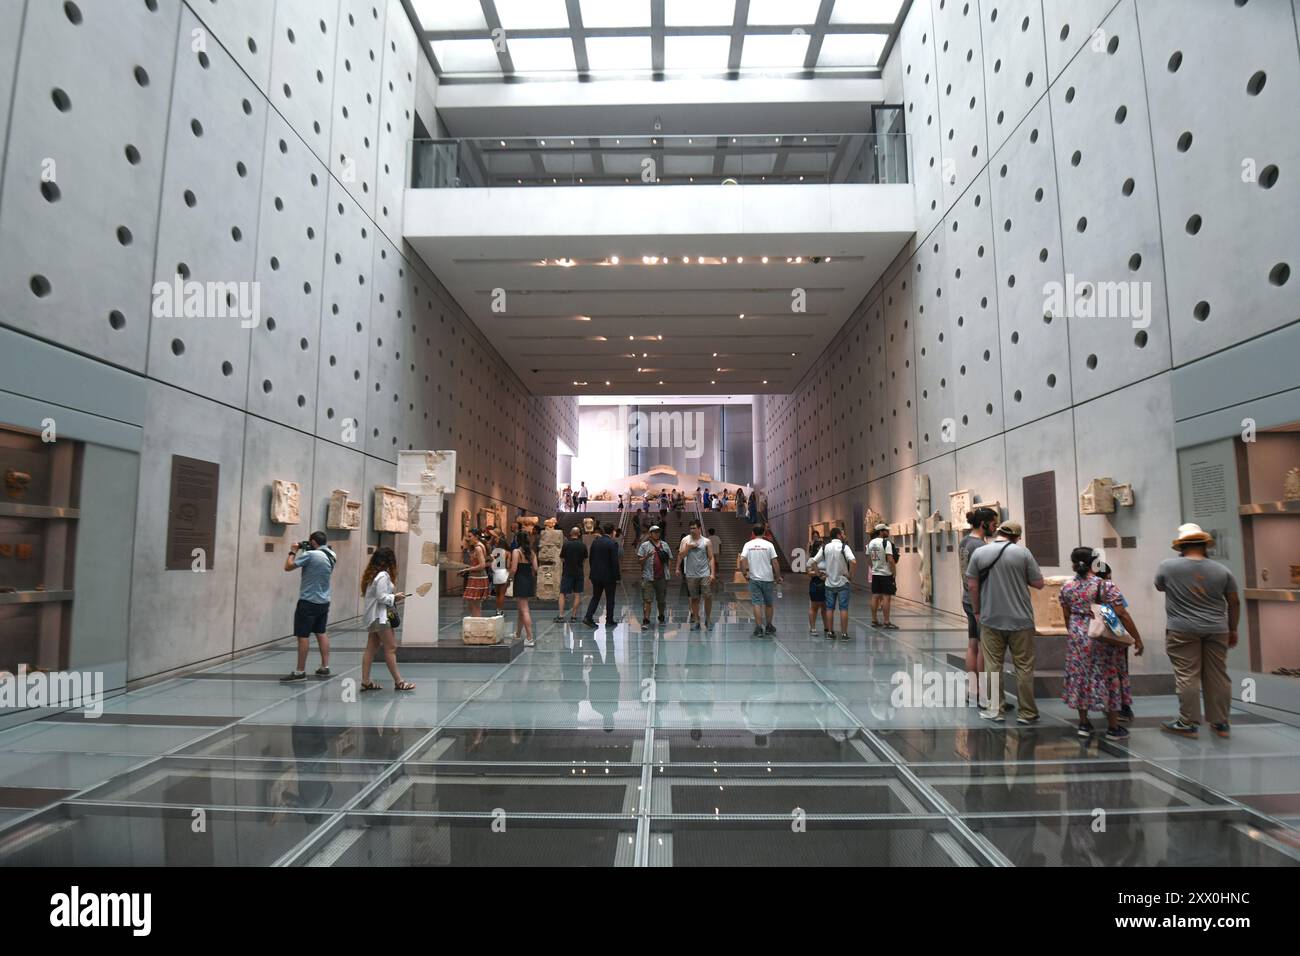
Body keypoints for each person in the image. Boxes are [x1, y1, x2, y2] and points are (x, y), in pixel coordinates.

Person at [1155, 524, 1240, 739]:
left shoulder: (1167, 566)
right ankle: (1221, 724)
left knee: (1187, 676)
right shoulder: (1222, 570)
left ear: (1181, 547)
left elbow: (1160, 586)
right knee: (1218, 675)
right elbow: (1234, 601)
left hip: (1181, 629)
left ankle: (1188, 722)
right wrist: (1233, 629)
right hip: (1217, 628)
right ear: (1204, 546)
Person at [966, 519, 1046, 724]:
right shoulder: (1023, 553)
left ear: (999, 531)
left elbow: (972, 586)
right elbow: (1039, 583)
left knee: (993, 665)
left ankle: (995, 709)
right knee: (1024, 667)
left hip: (991, 618)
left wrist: (977, 611)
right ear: (1016, 537)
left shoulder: (980, 553)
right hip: (1021, 619)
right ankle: (1027, 712)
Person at [1060, 547, 1144, 739]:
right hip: (1101, 637)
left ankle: (1083, 723)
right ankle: (1113, 726)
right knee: (1108, 676)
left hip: (1077, 637)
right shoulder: (1105, 585)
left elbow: (1066, 615)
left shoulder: (1066, 587)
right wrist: (1136, 638)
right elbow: (1121, 613)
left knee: (1081, 676)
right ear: (1094, 563)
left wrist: (1076, 632)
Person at [280, 531, 338, 682]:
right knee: (321, 632)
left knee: (303, 636)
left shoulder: (311, 555)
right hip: (324, 601)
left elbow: (288, 566)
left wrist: (293, 551)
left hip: (308, 601)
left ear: (313, 542)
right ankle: (325, 667)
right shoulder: (332, 554)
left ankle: (300, 672)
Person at [358, 547, 414, 692]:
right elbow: (381, 597)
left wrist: (394, 596)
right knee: (391, 648)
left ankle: (365, 681)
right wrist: (395, 597)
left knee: (371, 648)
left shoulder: (373, 574)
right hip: (380, 617)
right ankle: (399, 682)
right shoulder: (383, 575)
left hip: (373, 617)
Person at [959, 507, 998, 706]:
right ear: (983, 524)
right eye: (993, 524)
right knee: (984, 646)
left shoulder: (964, 541)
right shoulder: (979, 547)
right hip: (979, 600)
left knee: (972, 642)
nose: (995, 528)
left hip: (966, 596)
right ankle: (983, 692)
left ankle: (972, 689)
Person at [1096, 561, 1135, 722]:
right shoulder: (1109, 587)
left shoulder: (1088, 587)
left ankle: (1108, 705)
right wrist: (1132, 637)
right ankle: (1123, 708)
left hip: (1096, 634)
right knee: (1119, 671)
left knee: (1105, 673)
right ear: (1108, 575)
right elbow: (1120, 612)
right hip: (1114, 633)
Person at [810, 527, 857, 641]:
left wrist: (819, 574)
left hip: (829, 583)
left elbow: (813, 561)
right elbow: (853, 561)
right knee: (843, 608)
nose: (844, 535)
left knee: (830, 608)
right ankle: (844, 634)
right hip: (842, 582)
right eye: (843, 533)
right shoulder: (844, 547)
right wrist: (851, 575)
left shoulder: (825, 547)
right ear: (838, 535)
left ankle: (830, 632)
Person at [739, 523, 782, 637]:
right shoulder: (769, 545)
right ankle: (769, 626)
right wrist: (778, 577)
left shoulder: (748, 545)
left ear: (753, 533)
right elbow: (775, 562)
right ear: (764, 532)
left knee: (756, 603)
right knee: (769, 604)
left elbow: (742, 560)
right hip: (768, 579)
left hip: (754, 579)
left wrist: (745, 573)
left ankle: (758, 628)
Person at [679, 519, 716, 630]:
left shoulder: (706, 542)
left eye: (694, 528)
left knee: (707, 596)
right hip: (691, 575)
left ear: (699, 528)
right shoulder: (685, 540)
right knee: (694, 598)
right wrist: (688, 547)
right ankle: (696, 620)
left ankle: (708, 619)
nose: (692, 530)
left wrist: (712, 573)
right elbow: (681, 555)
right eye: (690, 528)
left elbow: (711, 558)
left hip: (704, 573)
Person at [583, 522, 620, 628]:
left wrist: (593, 570)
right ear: (613, 531)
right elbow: (614, 562)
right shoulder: (612, 544)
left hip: (596, 575)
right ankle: (609, 620)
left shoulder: (596, 542)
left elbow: (591, 558)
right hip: (609, 576)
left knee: (595, 597)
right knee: (610, 598)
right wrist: (617, 576)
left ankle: (588, 617)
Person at [637, 525, 674, 627]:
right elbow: (639, 561)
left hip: (662, 577)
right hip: (648, 577)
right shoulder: (644, 545)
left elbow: (670, 558)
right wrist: (647, 556)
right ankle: (646, 620)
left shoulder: (665, 545)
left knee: (661, 600)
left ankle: (661, 616)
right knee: (647, 600)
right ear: (650, 533)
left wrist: (668, 572)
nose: (657, 533)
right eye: (655, 532)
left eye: (658, 531)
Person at [866, 523, 898, 628]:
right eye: (886, 530)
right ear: (881, 532)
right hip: (885, 574)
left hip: (875, 573)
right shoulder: (886, 543)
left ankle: (874, 620)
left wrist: (874, 567)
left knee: (875, 596)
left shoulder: (870, 543)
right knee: (886, 597)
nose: (887, 532)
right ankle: (886, 621)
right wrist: (894, 572)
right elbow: (890, 559)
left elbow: (868, 560)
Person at [509, 533, 538, 647]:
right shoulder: (532, 553)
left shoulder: (516, 552)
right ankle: (517, 633)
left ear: (518, 540)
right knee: (521, 609)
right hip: (528, 580)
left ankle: (530, 638)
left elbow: (514, 568)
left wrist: (508, 579)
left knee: (524, 609)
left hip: (520, 580)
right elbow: (535, 568)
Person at [558, 526, 588, 624]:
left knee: (562, 593)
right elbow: (584, 560)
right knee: (577, 594)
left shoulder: (566, 545)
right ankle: (574, 616)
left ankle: (561, 616)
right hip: (579, 572)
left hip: (567, 572)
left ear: (571, 533)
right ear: (579, 534)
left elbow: (562, 558)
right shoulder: (583, 546)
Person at [462, 528, 490, 617]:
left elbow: (482, 565)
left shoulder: (478, 548)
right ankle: (476, 624)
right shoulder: (478, 546)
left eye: (470, 536)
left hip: (478, 577)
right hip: (476, 577)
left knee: (475, 605)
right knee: (473, 604)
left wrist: (468, 569)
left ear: (476, 537)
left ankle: (476, 625)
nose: (468, 538)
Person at [489, 528, 509, 614]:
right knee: (502, 593)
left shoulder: (494, 551)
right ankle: (500, 611)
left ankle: (497, 610)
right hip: (503, 571)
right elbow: (508, 565)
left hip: (496, 571)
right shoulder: (507, 552)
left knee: (497, 593)